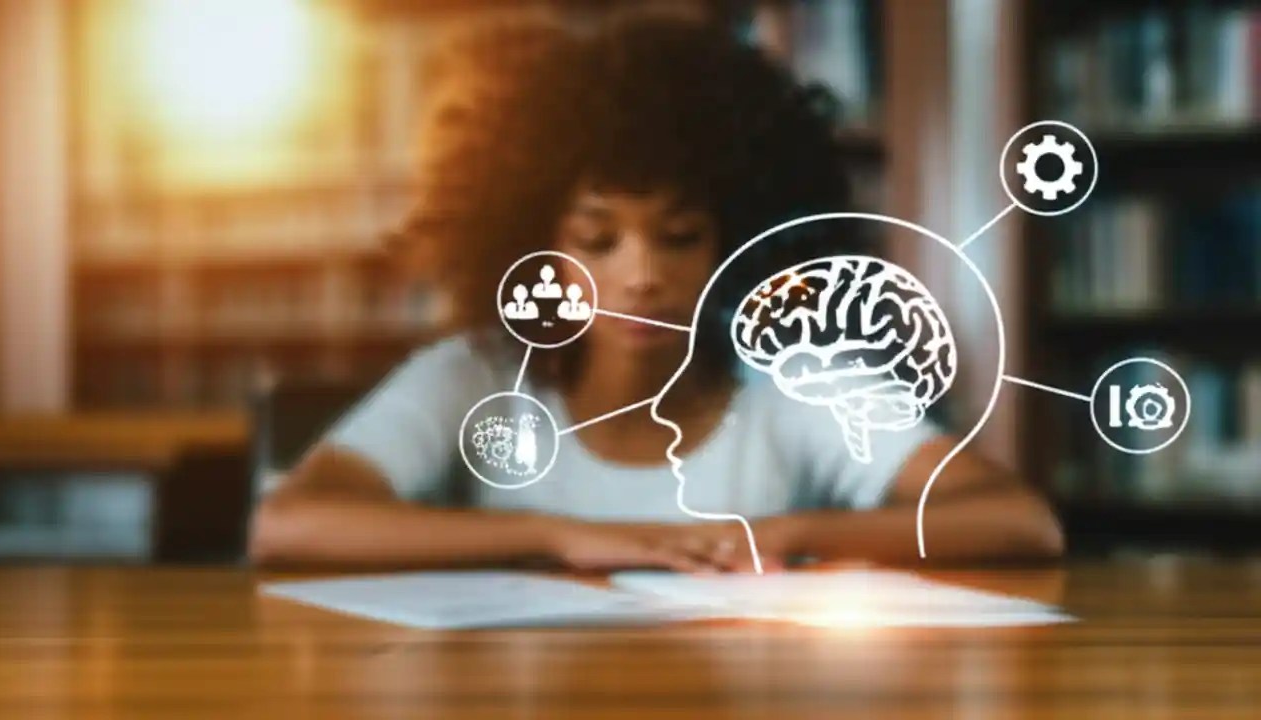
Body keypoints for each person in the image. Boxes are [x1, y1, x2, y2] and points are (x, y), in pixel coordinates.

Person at [249, 12, 1063, 573]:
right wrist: (560, 537)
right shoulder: (479, 376)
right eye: (597, 240)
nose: (641, 276)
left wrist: (784, 533)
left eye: (680, 237)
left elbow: (1017, 520)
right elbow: (290, 524)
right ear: (534, 247)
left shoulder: (793, 386)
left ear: (735, 243)